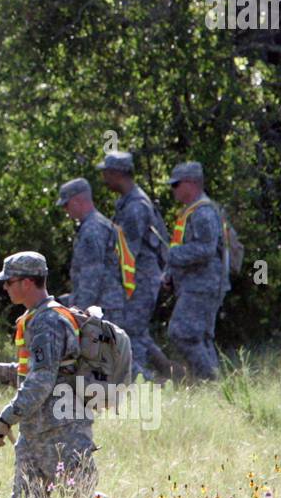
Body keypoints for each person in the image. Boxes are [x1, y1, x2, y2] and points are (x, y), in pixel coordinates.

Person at [0, 251, 97, 498]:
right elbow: (36, 371)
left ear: (27, 282)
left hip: (63, 433)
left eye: (9, 281)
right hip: (38, 433)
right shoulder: (38, 317)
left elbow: (41, 380)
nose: (4, 287)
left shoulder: (47, 321)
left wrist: (4, 420)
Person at [97, 152, 172, 380]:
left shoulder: (135, 207)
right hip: (137, 279)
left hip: (140, 280)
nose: (104, 179)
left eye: (107, 173)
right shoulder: (127, 203)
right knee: (136, 331)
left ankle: (144, 385)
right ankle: (167, 373)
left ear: (118, 174)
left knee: (131, 333)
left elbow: (127, 253)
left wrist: (107, 281)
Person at [162, 162, 226, 381]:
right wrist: (171, 273)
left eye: (176, 184)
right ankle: (214, 387)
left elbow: (205, 249)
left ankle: (210, 380)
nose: (174, 190)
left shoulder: (203, 213)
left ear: (190, 183)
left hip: (202, 286)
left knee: (181, 333)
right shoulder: (193, 211)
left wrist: (172, 256)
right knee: (200, 338)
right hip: (195, 285)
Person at [55, 177, 126, 317]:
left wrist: (80, 310)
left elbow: (92, 274)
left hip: (101, 308)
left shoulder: (93, 228)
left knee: (102, 340)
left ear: (77, 201)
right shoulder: (95, 225)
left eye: (66, 205)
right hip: (103, 305)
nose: (65, 210)